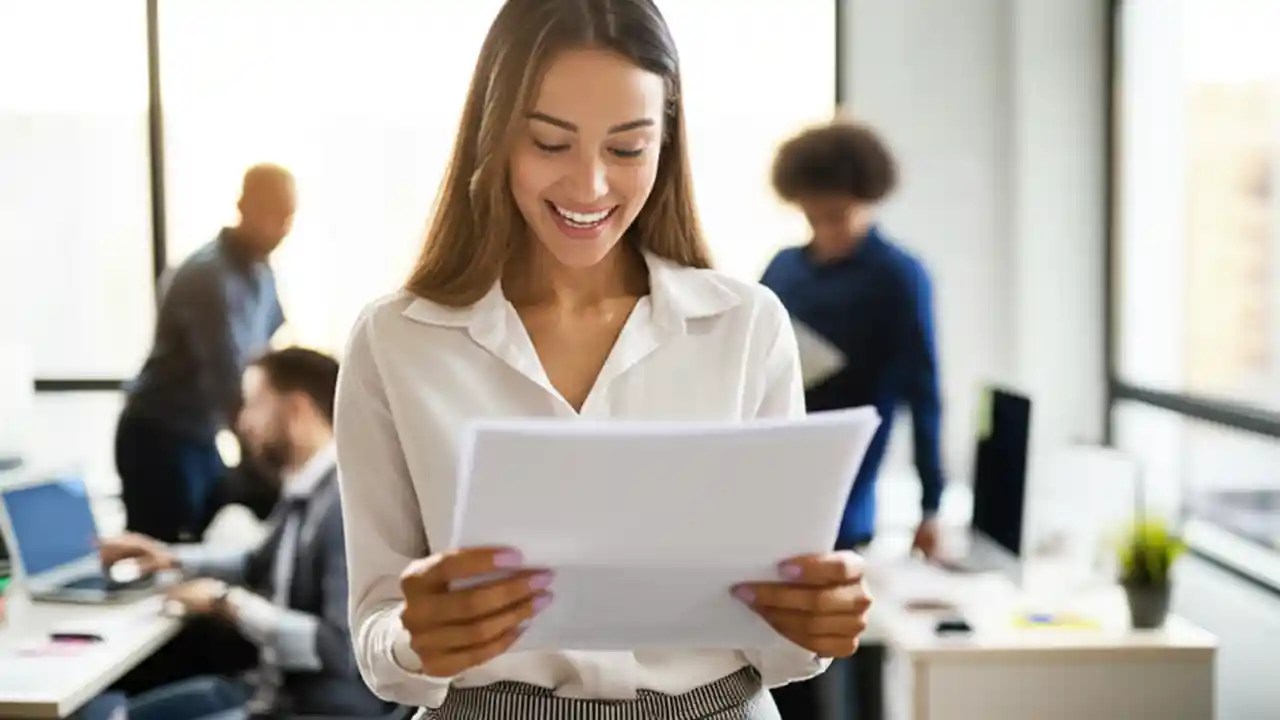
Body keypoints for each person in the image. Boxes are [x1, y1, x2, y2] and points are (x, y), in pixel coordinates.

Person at [333, 1, 872, 718]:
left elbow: (780, 648)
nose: (589, 186)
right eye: (550, 143)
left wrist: (816, 626)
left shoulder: (745, 328)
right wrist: (411, 639)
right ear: (493, 136)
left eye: (626, 148)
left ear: (667, 142)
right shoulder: (397, 341)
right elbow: (377, 630)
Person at [761, 121, 945, 719]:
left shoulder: (898, 276)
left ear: (866, 201)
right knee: (786, 666)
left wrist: (932, 505)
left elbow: (925, 393)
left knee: (844, 657)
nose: (826, 231)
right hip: (776, 482)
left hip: (849, 493)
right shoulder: (784, 270)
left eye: (837, 216)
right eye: (814, 217)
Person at [101, 348, 388, 719]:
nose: (243, 421)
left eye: (254, 404)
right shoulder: (306, 491)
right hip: (266, 692)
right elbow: (256, 563)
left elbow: (338, 648)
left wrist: (225, 602)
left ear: (296, 410)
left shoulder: (343, 505)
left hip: (313, 709)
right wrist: (167, 556)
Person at [116, 164, 295, 543]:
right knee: (164, 555)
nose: (282, 228)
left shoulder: (262, 273)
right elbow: (227, 379)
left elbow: (266, 362)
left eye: (288, 217)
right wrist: (272, 460)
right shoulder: (208, 276)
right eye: (273, 214)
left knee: (210, 541)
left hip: (200, 435)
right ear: (243, 206)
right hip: (159, 435)